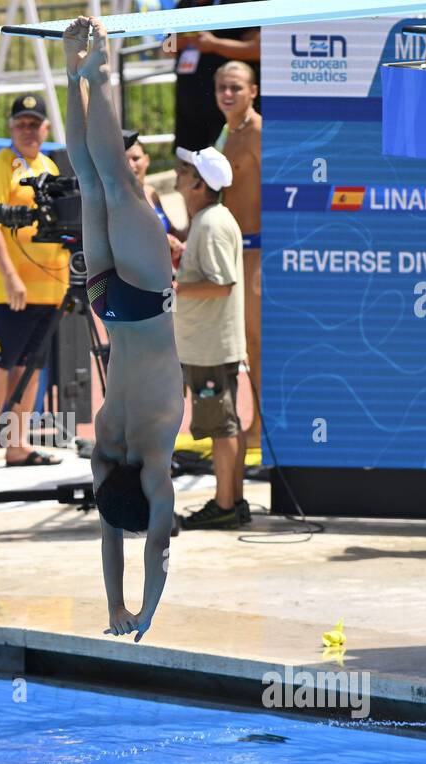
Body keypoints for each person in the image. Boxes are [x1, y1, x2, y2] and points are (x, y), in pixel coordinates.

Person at [65, 16, 182, 643]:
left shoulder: (155, 459)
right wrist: (116, 606)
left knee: (118, 181)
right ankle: (71, 69)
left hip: (147, 304)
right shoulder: (106, 454)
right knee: (90, 181)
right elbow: (110, 531)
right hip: (108, 305)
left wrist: (144, 611)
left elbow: (154, 549)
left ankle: (98, 74)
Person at [0, 94, 70, 479]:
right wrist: (11, 277)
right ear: (11, 128)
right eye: (22, 123)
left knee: (29, 367)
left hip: (48, 287)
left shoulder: (47, 166)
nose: (29, 130)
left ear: (46, 128)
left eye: (35, 123)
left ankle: (17, 446)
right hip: (4, 289)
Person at [173, 146, 248, 530]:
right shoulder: (210, 220)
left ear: (200, 184)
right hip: (210, 345)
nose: (179, 175)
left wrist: (176, 287)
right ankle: (233, 500)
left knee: (221, 427)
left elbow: (221, 285)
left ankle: (225, 505)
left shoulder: (211, 223)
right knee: (225, 424)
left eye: (185, 171)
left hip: (209, 347)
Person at [212, 60, 263, 450]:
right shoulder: (228, 132)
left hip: (255, 252)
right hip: (233, 252)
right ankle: (253, 421)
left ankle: (261, 427)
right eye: (221, 88)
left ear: (252, 92)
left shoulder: (259, 132)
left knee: (258, 343)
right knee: (243, 343)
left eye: (235, 88)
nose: (227, 94)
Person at [166, 0, 260, 153]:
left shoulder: (237, 3)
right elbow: (166, 47)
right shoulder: (184, 6)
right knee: (187, 166)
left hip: (228, 107)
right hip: (189, 106)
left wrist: (215, 44)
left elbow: (257, 48)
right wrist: (179, 41)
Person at [125, 128, 185, 266]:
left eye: (136, 158)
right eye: (124, 160)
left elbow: (172, 230)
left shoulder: (151, 193)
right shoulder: (119, 199)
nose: (131, 165)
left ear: (147, 160)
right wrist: (163, 241)